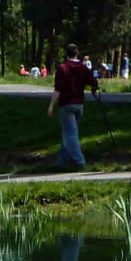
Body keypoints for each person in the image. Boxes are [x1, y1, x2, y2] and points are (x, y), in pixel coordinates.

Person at [50, 43, 92, 171]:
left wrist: (51, 105)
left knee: (70, 134)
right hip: (80, 104)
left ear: (66, 53)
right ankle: (62, 161)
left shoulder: (63, 68)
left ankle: (80, 162)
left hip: (66, 104)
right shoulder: (83, 67)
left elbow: (58, 89)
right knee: (69, 133)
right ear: (77, 53)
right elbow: (92, 81)